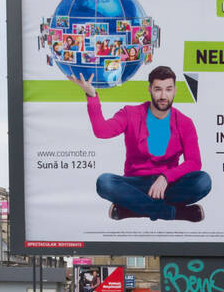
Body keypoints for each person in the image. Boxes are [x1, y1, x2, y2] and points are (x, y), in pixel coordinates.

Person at [78, 64, 212, 223]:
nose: (163, 95)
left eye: (168, 89)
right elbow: (102, 131)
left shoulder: (185, 123)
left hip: (168, 186)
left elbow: (194, 162)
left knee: (203, 181)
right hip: (135, 185)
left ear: (175, 90)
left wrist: (166, 177)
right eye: (158, 89)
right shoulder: (130, 113)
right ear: (149, 89)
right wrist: (91, 95)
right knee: (104, 182)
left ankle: (130, 210)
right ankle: (175, 213)